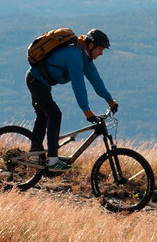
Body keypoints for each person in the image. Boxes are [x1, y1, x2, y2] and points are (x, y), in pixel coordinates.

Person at [28, 28, 116, 170]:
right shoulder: (74, 56)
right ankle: (52, 160)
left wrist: (110, 100)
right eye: (100, 49)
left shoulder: (84, 58)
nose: (101, 53)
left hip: (41, 82)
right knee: (54, 114)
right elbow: (78, 85)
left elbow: (96, 81)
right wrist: (87, 111)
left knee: (44, 116)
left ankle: (34, 155)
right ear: (91, 45)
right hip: (36, 81)